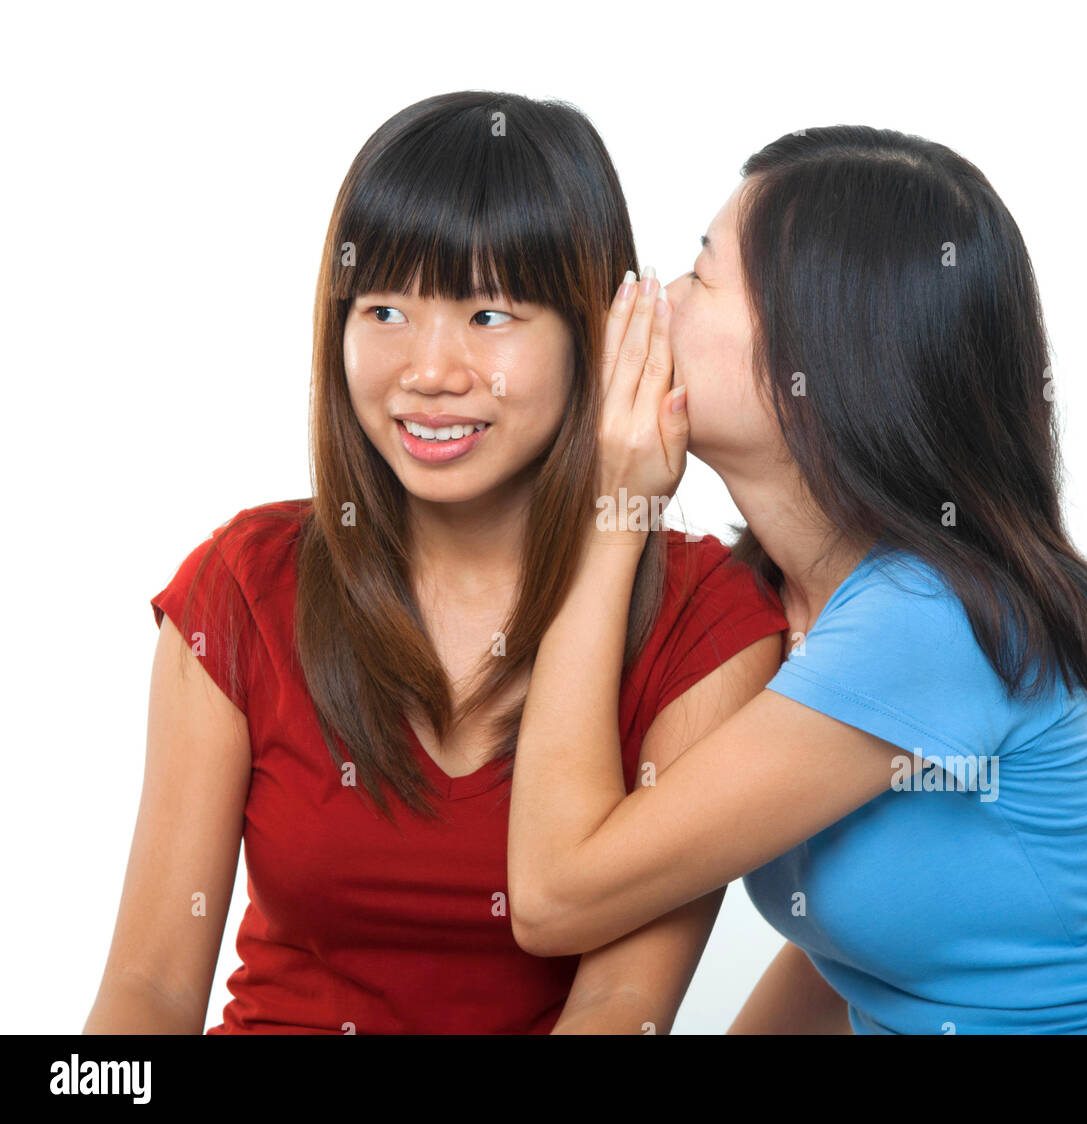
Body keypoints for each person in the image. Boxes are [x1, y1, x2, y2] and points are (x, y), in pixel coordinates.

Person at [506, 125, 1087, 1035]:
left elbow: (551, 896)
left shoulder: (928, 617)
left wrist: (610, 516)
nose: (656, 302)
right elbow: (854, 952)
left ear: (814, 357)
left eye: (700, 276)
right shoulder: (780, 607)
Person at [84, 91, 788, 1035]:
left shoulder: (706, 620)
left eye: (490, 314)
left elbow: (623, 1007)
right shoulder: (240, 587)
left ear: (599, 331)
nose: (428, 371)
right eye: (384, 309)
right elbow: (151, 990)